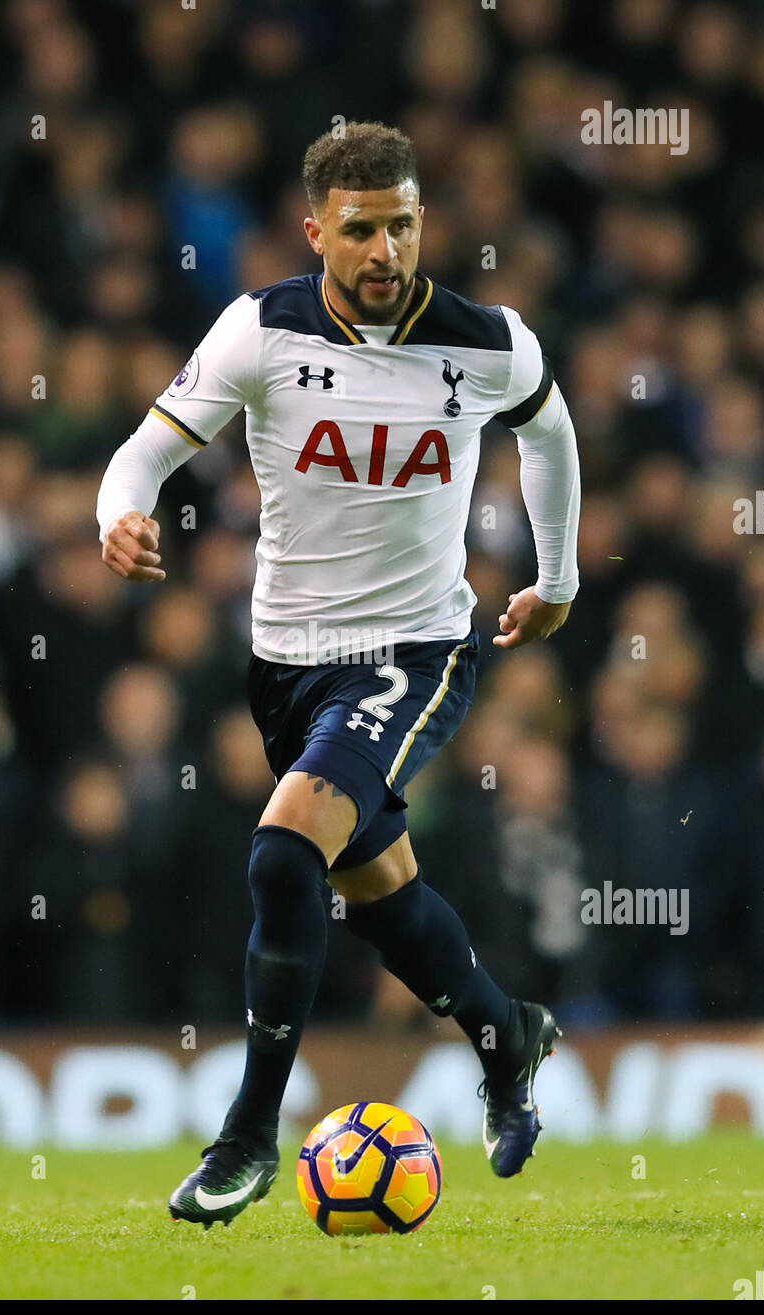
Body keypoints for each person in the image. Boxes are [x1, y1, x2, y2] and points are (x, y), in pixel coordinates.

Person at [96, 123, 580, 1226]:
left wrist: (555, 580)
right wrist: (118, 511)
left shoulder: (486, 341)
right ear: (316, 230)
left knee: (280, 854)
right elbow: (145, 451)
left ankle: (247, 1136)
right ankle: (510, 1036)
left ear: (422, 224)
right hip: (284, 664)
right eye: (359, 229)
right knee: (381, 898)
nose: (384, 251)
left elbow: (547, 431)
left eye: (401, 225)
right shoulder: (258, 330)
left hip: (414, 653)